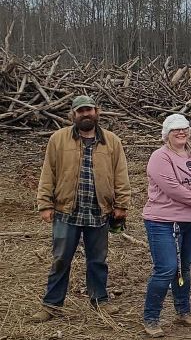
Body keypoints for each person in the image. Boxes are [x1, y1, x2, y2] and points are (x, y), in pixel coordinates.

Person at [32, 95, 131, 322]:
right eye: (80, 111)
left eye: (89, 110)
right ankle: (51, 305)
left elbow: (121, 175)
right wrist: (45, 204)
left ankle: (100, 301)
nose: (85, 114)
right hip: (67, 211)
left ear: (97, 112)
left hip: (99, 211)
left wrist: (121, 204)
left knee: (97, 260)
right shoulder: (58, 139)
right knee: (60, 259)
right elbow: (48, 173)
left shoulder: (112, 141)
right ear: (73, 115)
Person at [141, 114, 191, 337]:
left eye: (184, 128)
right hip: (163, 220)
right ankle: (151, 317)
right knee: (166, 268)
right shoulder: (160, 157)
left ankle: (183, 311)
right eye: (175, 130)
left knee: (184, 267)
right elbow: (172, 187)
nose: (181, 133)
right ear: (166, 134)